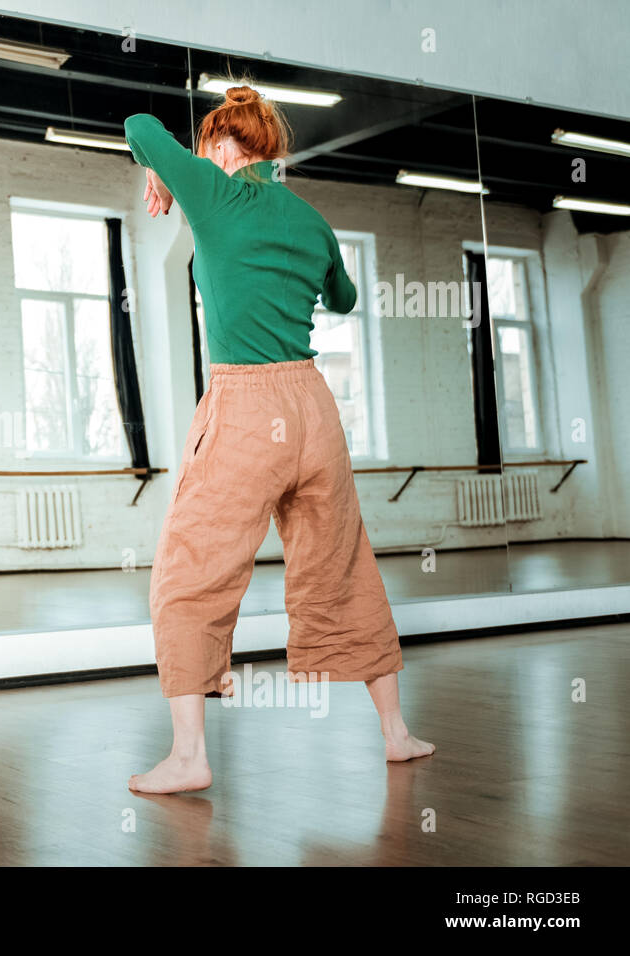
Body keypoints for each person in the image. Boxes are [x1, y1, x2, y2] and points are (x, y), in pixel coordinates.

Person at [123, 85, 434, 793]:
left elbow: (140, 124)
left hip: (244, 405)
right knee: (344, 565)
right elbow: (345, 298)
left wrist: (160, 168)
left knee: (190, 572)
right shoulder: (309, 218)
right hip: (313, 408)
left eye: (205, 149)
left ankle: (189, 759)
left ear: (225, 148)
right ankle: (397, 735)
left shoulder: (213, 190)